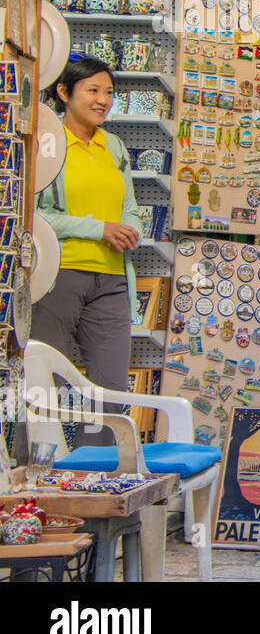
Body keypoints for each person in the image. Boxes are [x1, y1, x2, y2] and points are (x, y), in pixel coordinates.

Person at [32, 57, 142, 447]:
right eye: (92, 90)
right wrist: (99, 229)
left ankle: (96, 473)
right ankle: (39, 473)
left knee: (110, 389)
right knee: (46, 386)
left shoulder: (113, 145)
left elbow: (129, 206)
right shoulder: (48, 144)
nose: (103, 100)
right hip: (57, 277)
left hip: (111, 280)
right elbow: (35, 215)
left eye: (109, 92)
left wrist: (130, 229)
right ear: (64, 93)